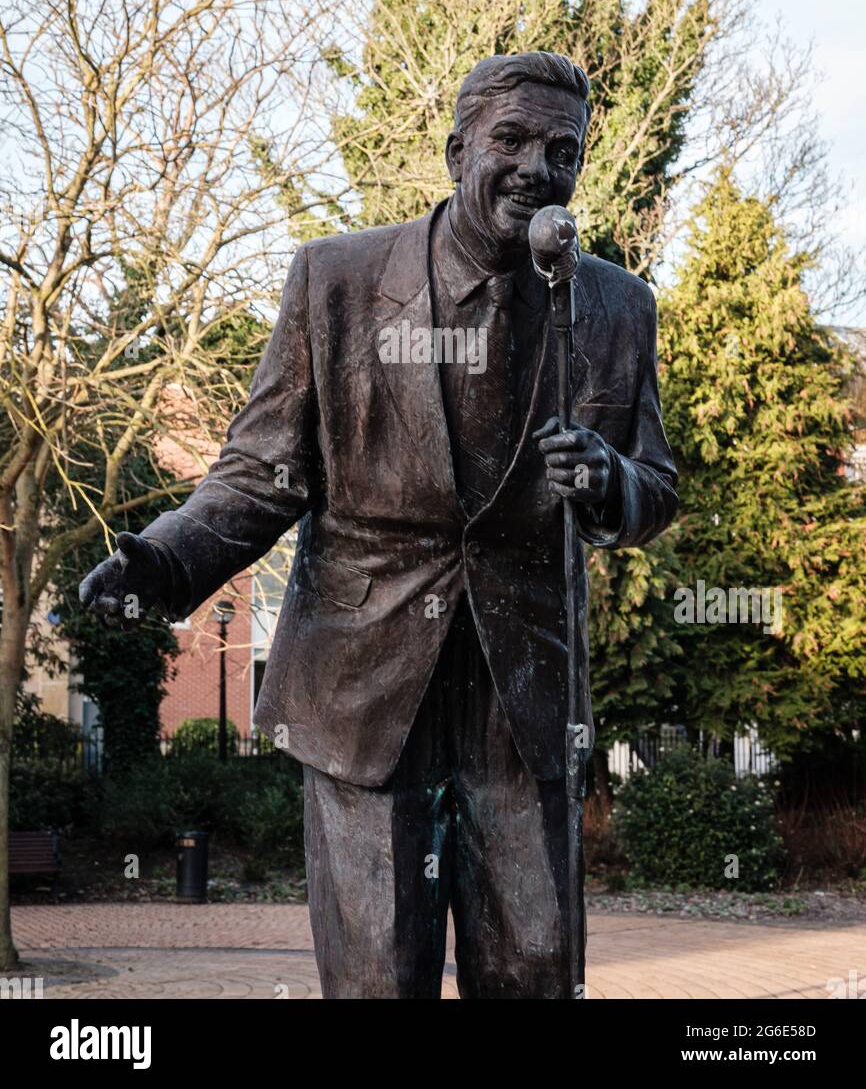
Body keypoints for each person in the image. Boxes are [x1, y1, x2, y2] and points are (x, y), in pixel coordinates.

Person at [81, 51, 678, 998]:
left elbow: (657, 486)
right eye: (511, 141)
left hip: (522, 692)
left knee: (534, 972)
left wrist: (610, 484)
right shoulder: (338, 283)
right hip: (362, 688)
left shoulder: (611, 307)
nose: (536, 169)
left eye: (561, 152)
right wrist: (162, 560)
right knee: (377, 979)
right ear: (457, 151)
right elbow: (258, 475)